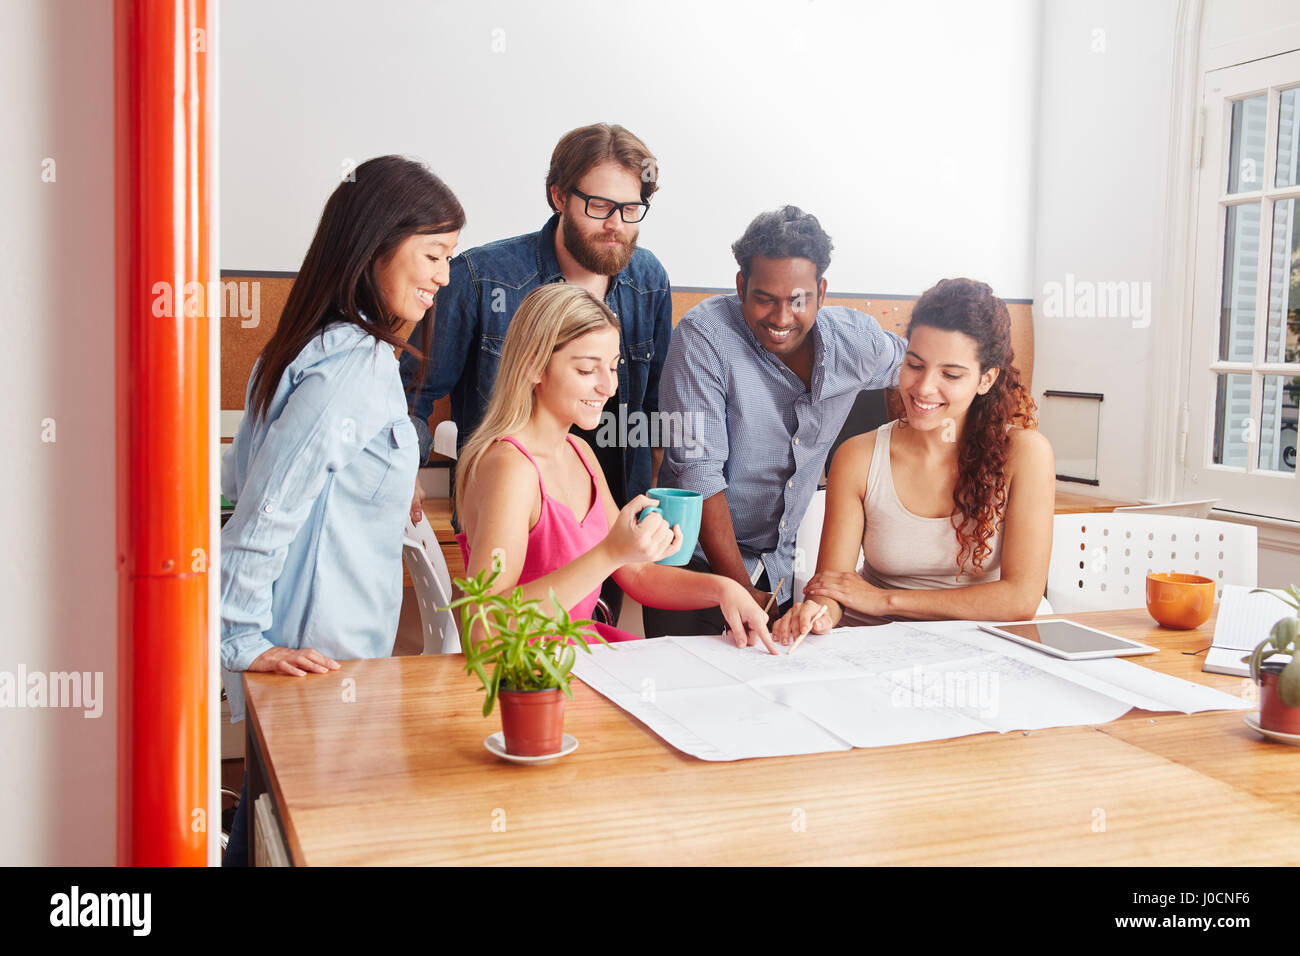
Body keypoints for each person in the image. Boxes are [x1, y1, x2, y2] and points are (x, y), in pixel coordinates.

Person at [220, 156, 465, 865]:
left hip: (322, 662)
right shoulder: (351, 366)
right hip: (318, 665)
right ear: (376, 245)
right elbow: (264, 512)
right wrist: (240, 641)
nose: (444, 276)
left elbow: (277, 477)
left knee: (266, 839)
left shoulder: (306, 349)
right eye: (433, 255)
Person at [400, 123, 673, 624]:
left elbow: (651, 405)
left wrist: (653, 504)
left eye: (631, 210)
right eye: (599, 206)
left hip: (608, 514)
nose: (616, 224)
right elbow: (410, 396)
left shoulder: (648, 278)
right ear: (558, 197)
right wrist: (399, 471)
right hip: (519, 519)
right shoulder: (482, 278)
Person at [455, 283, 776, 652]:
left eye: (613, 367)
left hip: (578, 656)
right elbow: (485, 627)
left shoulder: (578, 452)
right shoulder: (509, 467)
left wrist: (725, 589)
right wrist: (611, 553)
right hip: (527, 676)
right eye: (587, 370)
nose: (608, 386)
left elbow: (636, 574)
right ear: (533, 365)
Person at [643, 206, 907, 639]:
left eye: (798, 300)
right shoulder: (703, 337)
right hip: (694, 573)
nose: (782, 319)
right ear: (742, 285)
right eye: (764, 298)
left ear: (821, 291)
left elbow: (920, 368)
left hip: (776, 572)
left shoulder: (856, 342)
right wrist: (746, 599)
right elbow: (700, 476)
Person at [772, 277, 1054, 645]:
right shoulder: (857, 457)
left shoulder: (1026, 456)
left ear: (986, 379)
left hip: (983, 650)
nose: (923, 388)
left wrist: (886, 599)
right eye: (915, 365)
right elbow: (835, 587)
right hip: (878, 646)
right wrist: (819, 610)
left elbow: (1019, 599)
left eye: (950, 374)